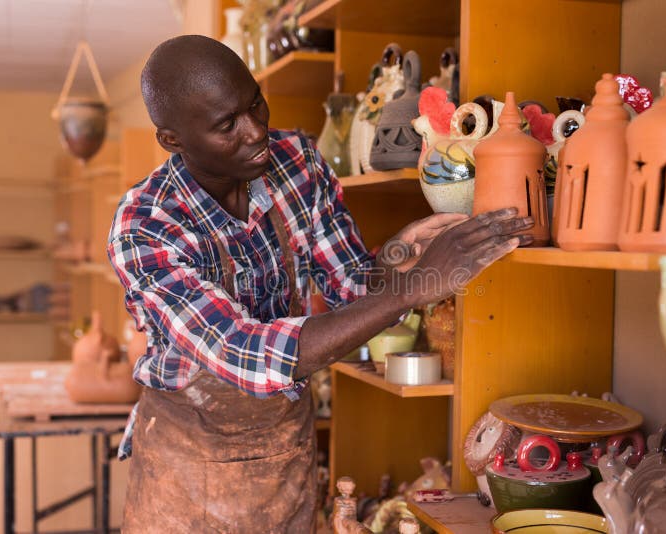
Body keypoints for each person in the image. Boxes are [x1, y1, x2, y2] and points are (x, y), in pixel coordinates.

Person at [107, 34, 533, 533]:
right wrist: (414, 287)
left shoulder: (296, 161)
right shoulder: (145, 226)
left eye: (255, 104)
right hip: (185, 469)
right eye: (227, 125)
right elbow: (248, 354)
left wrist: (398, 260)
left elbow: (350, 290)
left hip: (285, 456)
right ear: (173, 140)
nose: (255, 132)